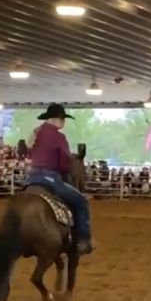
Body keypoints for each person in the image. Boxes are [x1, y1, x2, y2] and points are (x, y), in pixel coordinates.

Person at [23, 103, 94, 254]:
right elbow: (65, 159)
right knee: (81, 202)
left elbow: (28, 153)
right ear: (57, 119)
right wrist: (66, 168)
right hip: (50, 178)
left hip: (31, 178)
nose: (64, 122)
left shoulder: (35, 133)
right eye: (63, 119)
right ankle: (83, 239)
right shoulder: (59, 137)